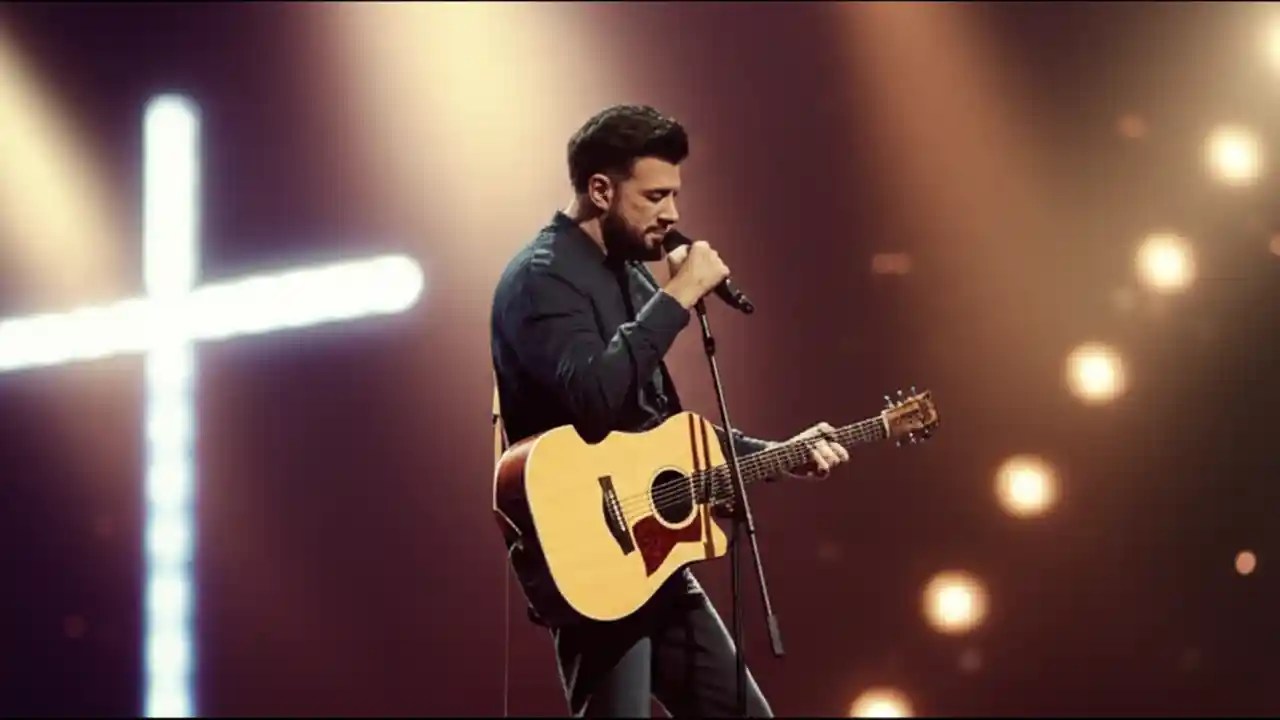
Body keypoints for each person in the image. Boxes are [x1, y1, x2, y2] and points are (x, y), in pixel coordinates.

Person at [489, 104, 850, 718]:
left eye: (676, 195)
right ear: (600, 190)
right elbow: (595, 402)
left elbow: (660, 434)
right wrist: (680, 294)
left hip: (651, 553)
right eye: (655, 196)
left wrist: (778, 455)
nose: (673, 215)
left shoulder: (630, 275)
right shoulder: (541, 280)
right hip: (589, 557)